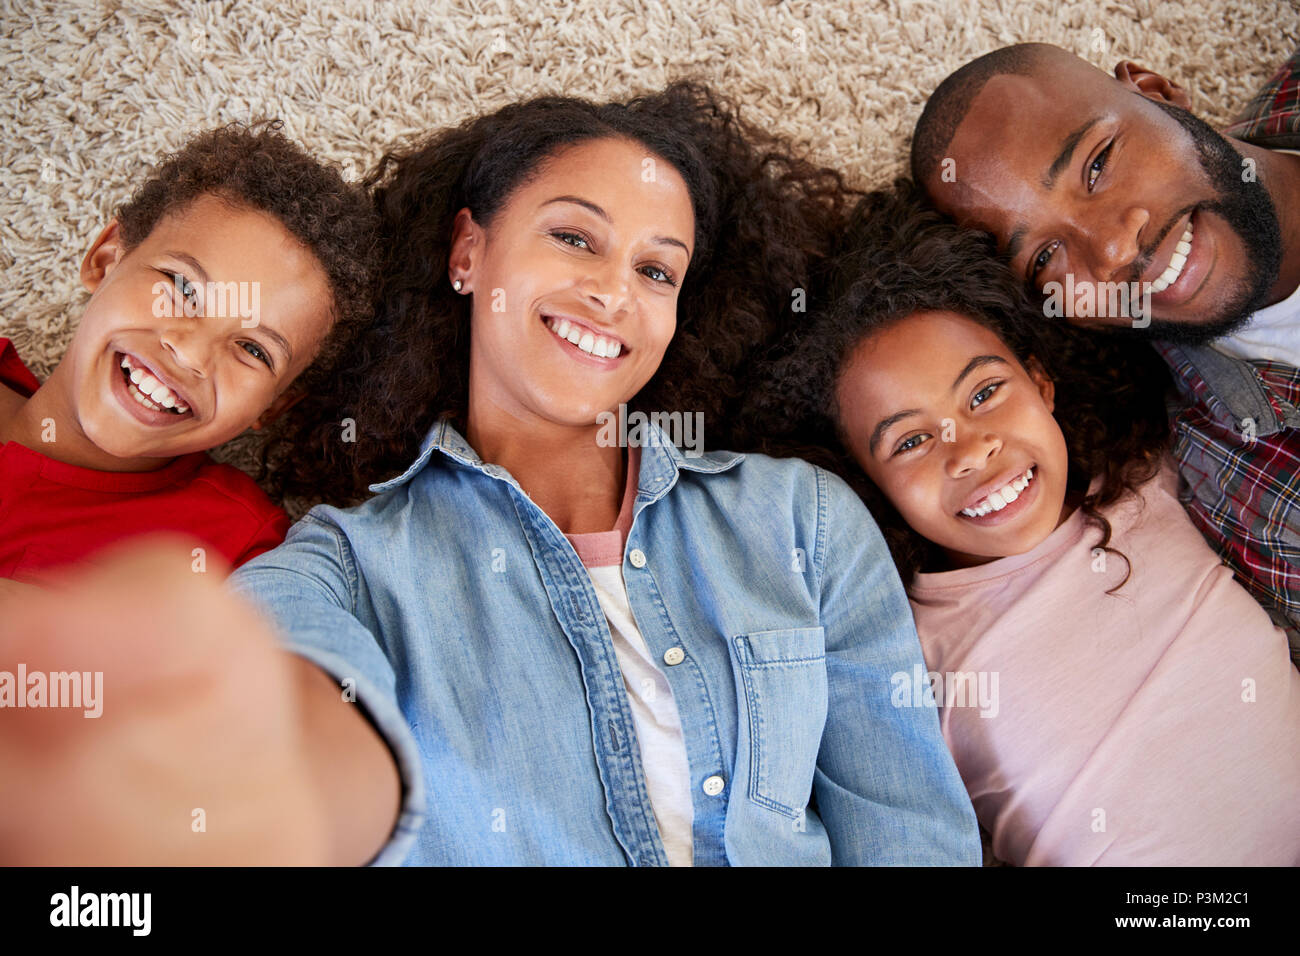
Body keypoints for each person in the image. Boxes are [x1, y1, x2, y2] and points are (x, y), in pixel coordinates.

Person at [0, 84, 980, 866]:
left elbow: (911, 831)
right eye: (574, 235)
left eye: (656, 270)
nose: (611, 289)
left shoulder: (802, 521)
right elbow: (312, 760)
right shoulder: (343, 560)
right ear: (469, 251)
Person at [747, 186, 1300, 865]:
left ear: (1042, 383)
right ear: (867, 483)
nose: (972, 449)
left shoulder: (1151, 473)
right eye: (910, 442)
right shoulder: (901, 649)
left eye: (985, 394)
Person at [911, 42, 1300, 645]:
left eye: (1096, 166)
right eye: (1045, 256)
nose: (1114, 251)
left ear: (1155, 88)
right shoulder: (1253, 490)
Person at [0, 121, 378, 584]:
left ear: (275, 404)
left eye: (253, 350)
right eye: (182, 287)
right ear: (105, 261)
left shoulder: (236, 551)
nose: (191, 352)